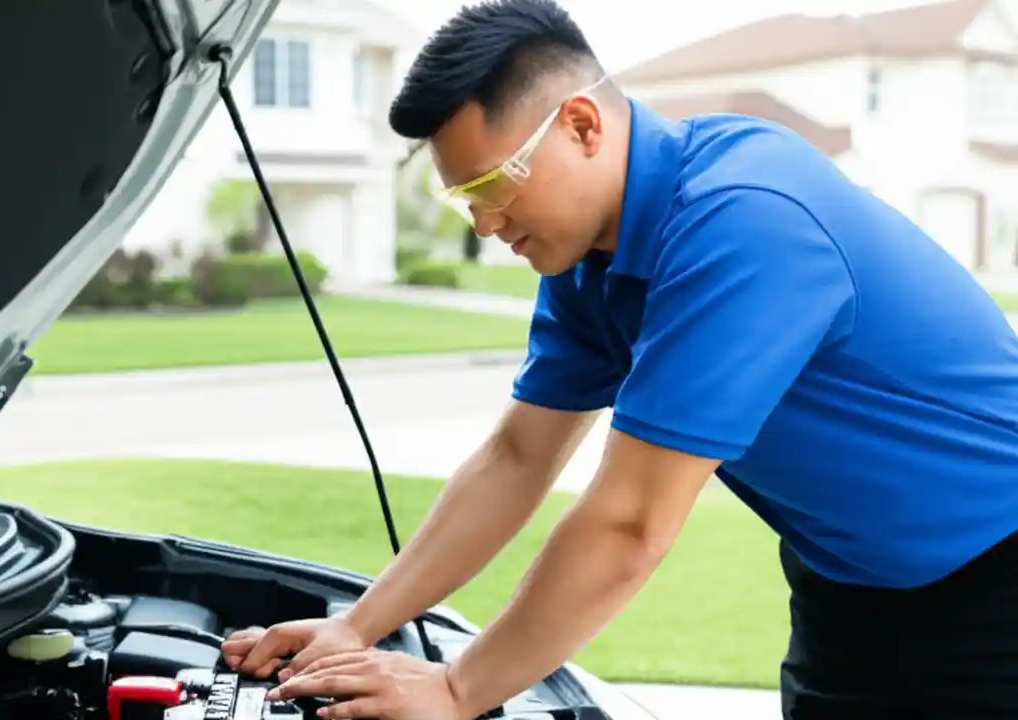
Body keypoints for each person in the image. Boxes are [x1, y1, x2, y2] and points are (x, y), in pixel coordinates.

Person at [221, 1, 1018, 718]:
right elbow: (517, 455)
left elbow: (632, 521)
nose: (486, 224)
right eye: (464, 199)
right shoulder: (583, 261)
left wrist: (460, 690)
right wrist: (359, 623)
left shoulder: (743, 220)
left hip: (996, 582)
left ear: (582, 125)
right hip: (845, 588)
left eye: (494, 185)